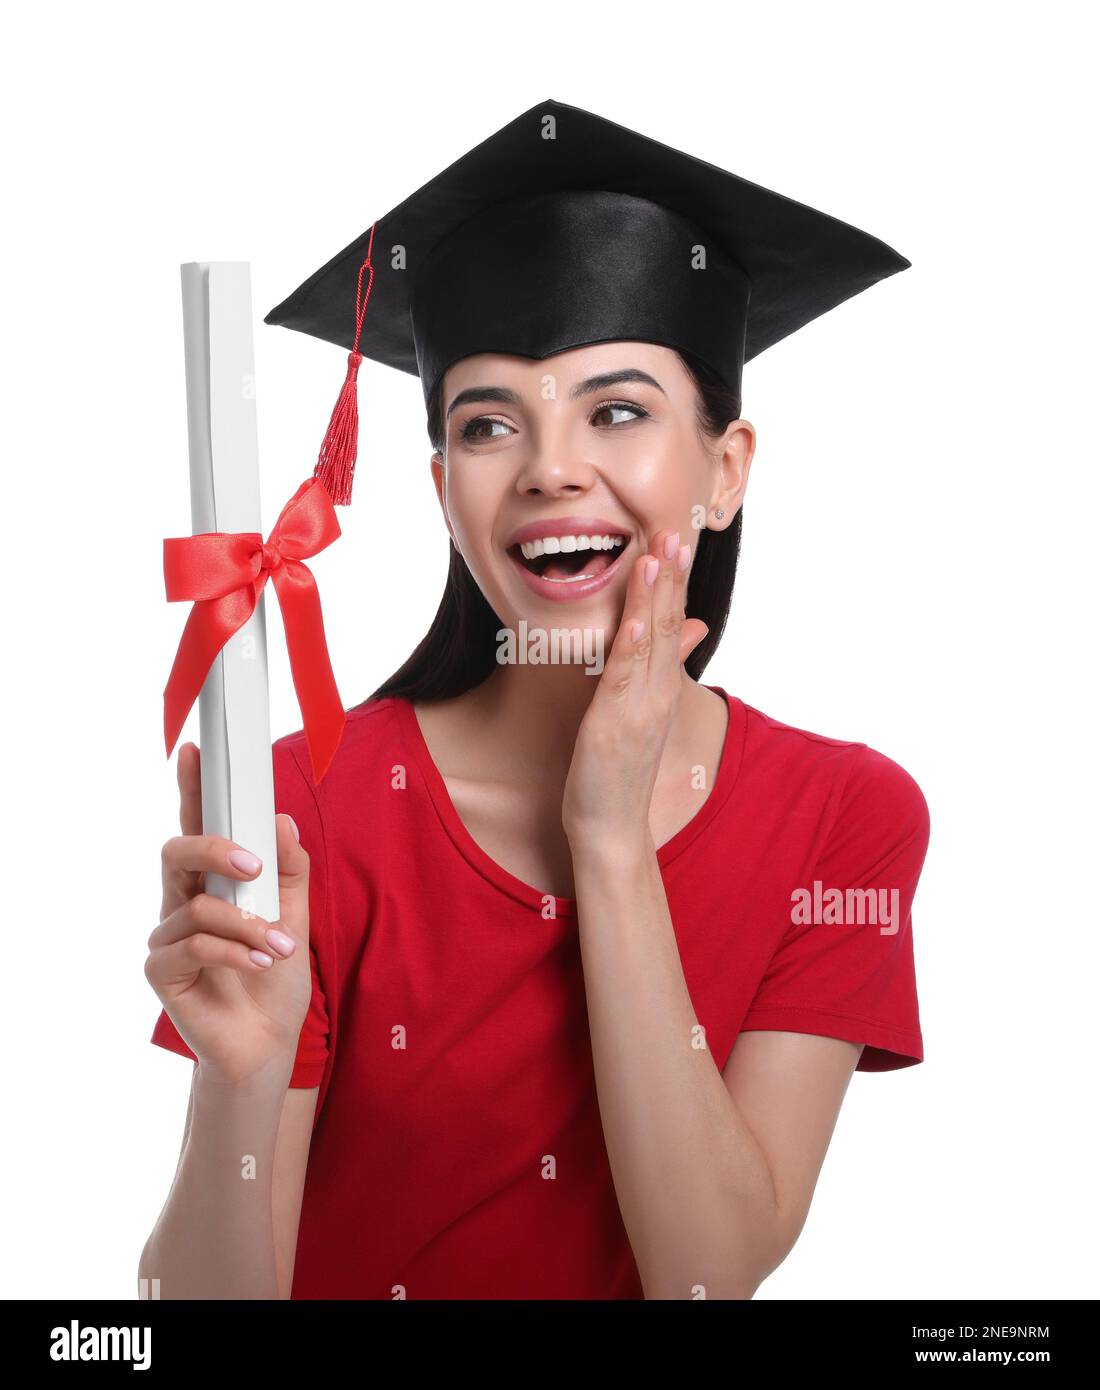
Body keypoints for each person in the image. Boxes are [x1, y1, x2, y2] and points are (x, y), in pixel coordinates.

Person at [140, 99, 930, 1300]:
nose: (550, 465)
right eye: (487, 422)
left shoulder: (842, 815)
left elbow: (706, 1274)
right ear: (444, 488)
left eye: (615, 410)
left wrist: (605, 836)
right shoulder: (310, 803)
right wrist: (238, 1076)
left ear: (723, 472)